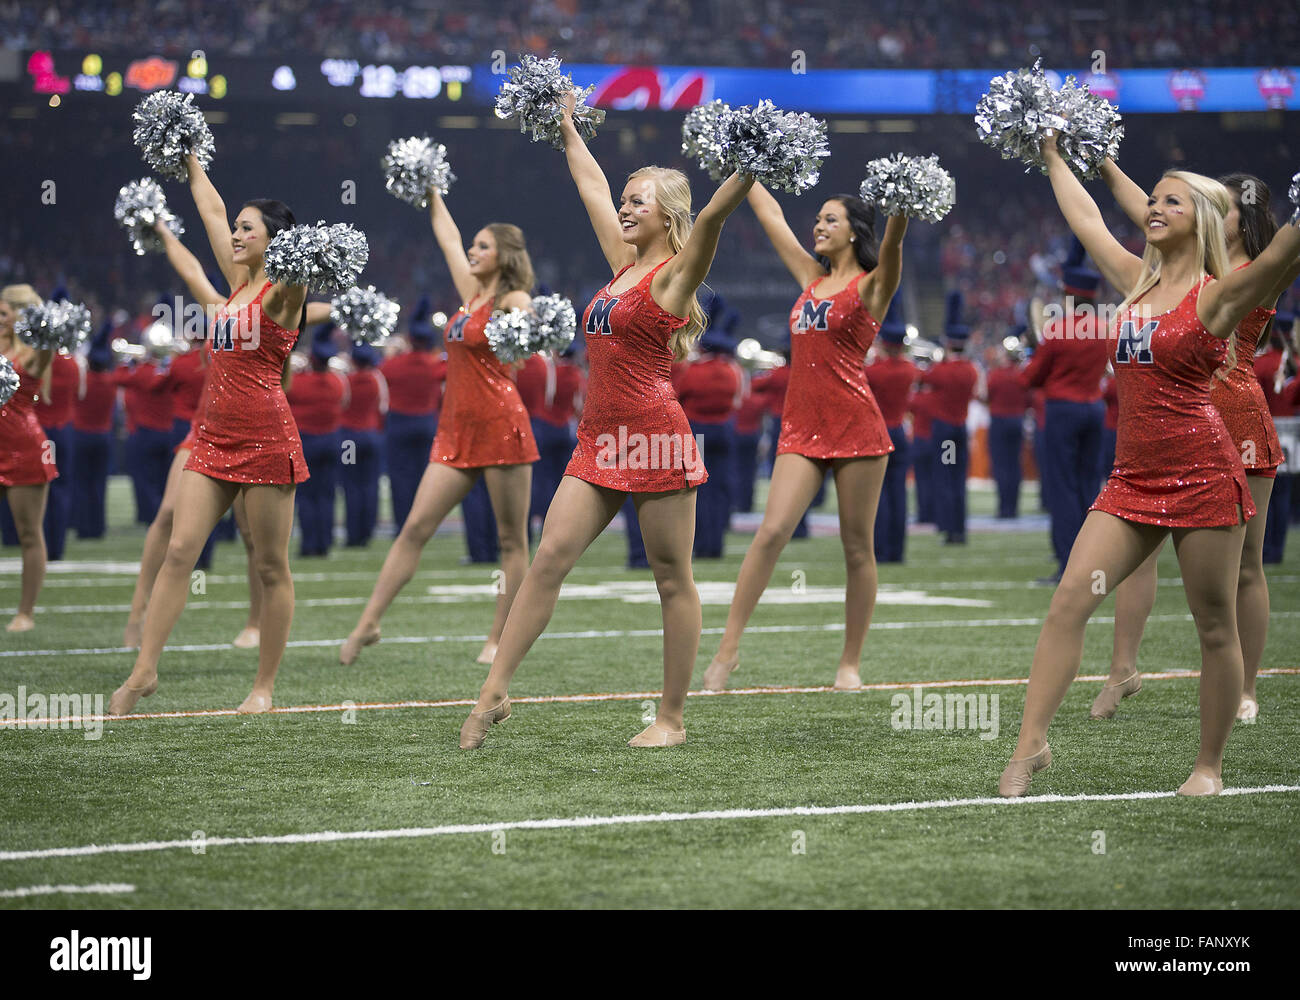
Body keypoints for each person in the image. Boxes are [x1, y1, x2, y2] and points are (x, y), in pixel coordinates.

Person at [999, 129, 1300, 798]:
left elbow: (1280, 255)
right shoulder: (1134, 280)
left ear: (1204, 220)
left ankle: (1208, 766)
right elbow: (1082, 213)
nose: (1154, 209)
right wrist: (1052, 152)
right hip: (1131, 479)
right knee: (1069, 602)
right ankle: (1031, 745)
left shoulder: (1220, 296)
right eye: (1152, 200)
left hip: (1203, 475)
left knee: (1214, 624)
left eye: (1171, 202)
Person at [460, 92, 753, 749]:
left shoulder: (675, 278)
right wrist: (565, 120)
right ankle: (495, 691)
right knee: (547, 561)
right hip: (600, 439)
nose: (623, 208)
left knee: (671, 578)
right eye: (624, 201)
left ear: (666, 215)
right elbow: (588, 180)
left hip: (653, 439)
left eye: (637, 202)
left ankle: (672, 719)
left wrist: (750, 165)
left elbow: (709, 219)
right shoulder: (621, 269)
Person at [1089, 167, 1300, 724]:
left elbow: (1290, 247)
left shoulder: (1257, 271)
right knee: (1138, 548)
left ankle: (1247, 686)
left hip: (1235, 415)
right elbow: (1146, 207)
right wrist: (1103, 161)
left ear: (1240, 218)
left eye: (1223, 203)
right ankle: (1122, 667)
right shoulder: (1178, 262)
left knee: (1246, 568)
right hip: (1170, 414)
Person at [108, 151, 316, 715]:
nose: (236, 234)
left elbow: (297, 275)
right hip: (211, 440)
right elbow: (210, 211)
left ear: (276, 240)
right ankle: (144, 670)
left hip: (267, 440)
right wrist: (192, 160)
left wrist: (307, 255)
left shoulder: (282, 292)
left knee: (270, 565)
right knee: (179, 549)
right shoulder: (235, 288)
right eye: (237, 227)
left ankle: (264, 687)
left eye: (248, 228)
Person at [703, 181, 908, 692]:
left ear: (854, 233)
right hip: (801, 425)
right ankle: (726, 652)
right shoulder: (809, 277)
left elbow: (893, 246)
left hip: (857, 425)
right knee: (771, 534)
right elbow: (771, 216)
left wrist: (902, 206)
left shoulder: (871, 286)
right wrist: (748, 166)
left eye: (830, 219)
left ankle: (849, 663)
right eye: (817, 218)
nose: (818, 226)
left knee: (857, 548)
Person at [341, 187, 537, 668]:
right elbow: (448, 239)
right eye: (474, 245)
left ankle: (498, 639)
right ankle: (369, 621)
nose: (472, 251)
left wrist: (524, 325)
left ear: (505, 256)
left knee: (511, 540)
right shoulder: (471, 297)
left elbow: (530, 334)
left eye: (483, 246)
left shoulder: (514, 298)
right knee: (414, 528)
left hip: (502, 423)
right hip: (455, 429)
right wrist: (431, 190)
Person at [1018, 242, 1110, 581]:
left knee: (1062, 487)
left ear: (1068, 294)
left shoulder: (1057, 330)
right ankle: (1091, 560)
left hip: (1062, 411)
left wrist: (1026, 361)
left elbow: (1031, 377)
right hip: (1094, 409)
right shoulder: (1105, 329)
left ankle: (1068, 562)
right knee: (1089, 486)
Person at [0, 283, 56, 632]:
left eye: (4, 312)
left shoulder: (33, 352)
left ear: (20, 315)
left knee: (29, 534)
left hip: (23, 450)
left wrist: (47, 328)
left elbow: (48, 349)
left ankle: (26, 613)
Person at [674, 292, 743, 558]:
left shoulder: (691, 370)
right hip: (724, 431)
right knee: (720, 490)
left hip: (696, 433)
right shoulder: (732, 372)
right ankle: (716, 545)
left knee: (697, 493)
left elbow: (676, 397)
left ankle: (701, 545)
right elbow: (737, 402)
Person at [380, 297, 446, 533]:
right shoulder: (435, 364)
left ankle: (403, 525)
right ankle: (424, 525)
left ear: (409, 340)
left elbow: (382, 375)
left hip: (399, 424)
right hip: (427, 423)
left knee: (400, 478)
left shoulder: (392, 364)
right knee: (424, 479)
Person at [922, 292, 980, 544]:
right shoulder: (971, 370)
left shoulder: (941, 371)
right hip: (960, 428)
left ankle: (949, 528)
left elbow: (924, 380)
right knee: (958, 480)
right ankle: (960, 527)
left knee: (945, 479)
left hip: (944, 431)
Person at [287, 324, 348, 557]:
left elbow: (282, 392)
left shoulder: (298, 382)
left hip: (305, 443)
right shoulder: (338, 382)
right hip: (332, 440)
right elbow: (344, 404)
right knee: (327, 495)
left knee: (306, 496)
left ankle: (309, 544)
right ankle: (325, 542)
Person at [865, 297, 917, 561]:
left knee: (880, 494)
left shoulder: (874, 371)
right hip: (901, 432)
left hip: (878, 432)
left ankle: (881, 549)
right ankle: (897, 550)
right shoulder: (910, 369)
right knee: (898, 493)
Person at [34, 340, 83, 560]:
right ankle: (57, 546)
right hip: (64, 431)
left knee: (39, 489)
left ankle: (41, 543)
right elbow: (79, 394)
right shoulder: (73, 363)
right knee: (62, 489)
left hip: (42, 433)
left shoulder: (37, 362)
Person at [73, 321, 117, 540]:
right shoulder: (111, 382)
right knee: (99, 484)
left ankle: (84, 527)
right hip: (103, 437)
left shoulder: (82, 380)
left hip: (81, 436)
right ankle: (98, 527)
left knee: (81, 483)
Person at [340, 340, 387, 547]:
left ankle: (353, 533)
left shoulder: (346, 380)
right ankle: (367, 531)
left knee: (351, 485)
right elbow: (384, 407)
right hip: (372, 435)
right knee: (370, 485)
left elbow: (340, 405)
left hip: (349, 439)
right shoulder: (377, 379)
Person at [984, 330, 1029, 519]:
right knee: (1015, 465)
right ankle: (1014, 507)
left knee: (1001, 466)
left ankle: (1004, 508)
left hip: (999, 421)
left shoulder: (995, 374)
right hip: (1018, 420)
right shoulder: (1022, 375)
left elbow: (986, 396)